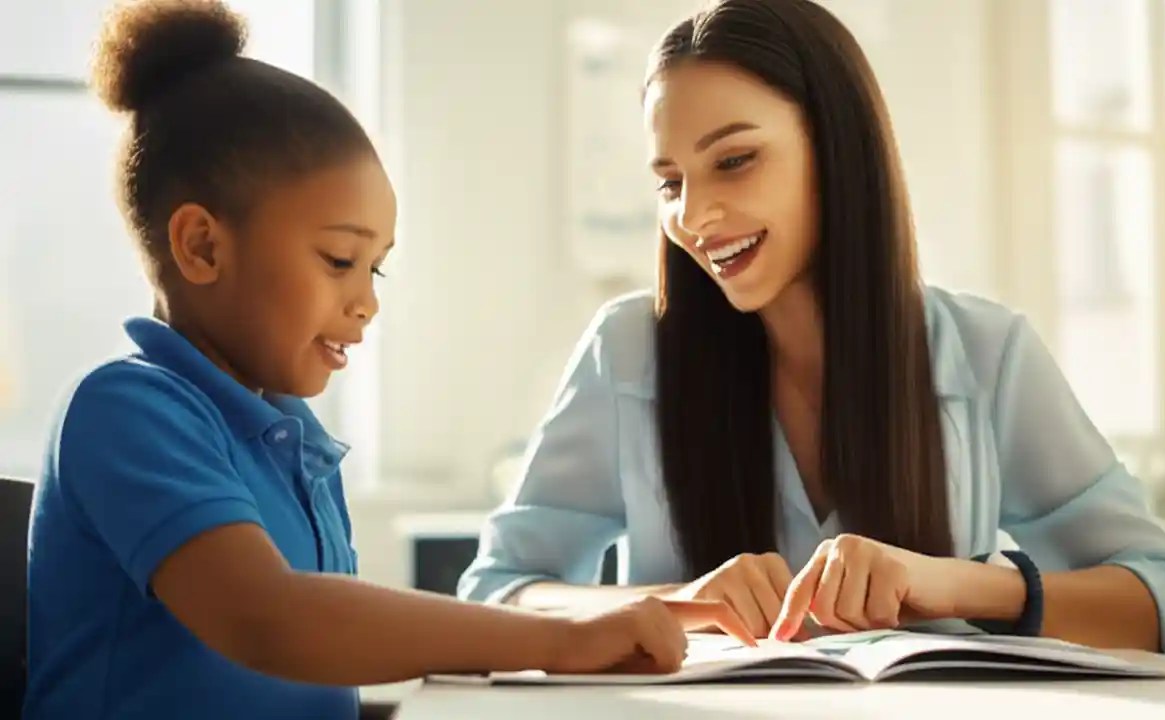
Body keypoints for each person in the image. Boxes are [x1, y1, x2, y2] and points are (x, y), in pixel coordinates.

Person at [23, 2, 750, 719]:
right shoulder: (127, 409)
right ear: (203, 247)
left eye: (376, 269)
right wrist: (558, 641)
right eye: (340, 259)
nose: (366, 302)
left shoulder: (292, 438)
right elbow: (271, 620)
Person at [459, 0, 1165, 659]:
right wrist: (666, 603)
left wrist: (954, 586)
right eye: (671, 181)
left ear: (836, 149)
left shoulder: (987, 353)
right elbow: (497, 591)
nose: (692, 216)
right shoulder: (627, 351)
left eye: (735, 160)